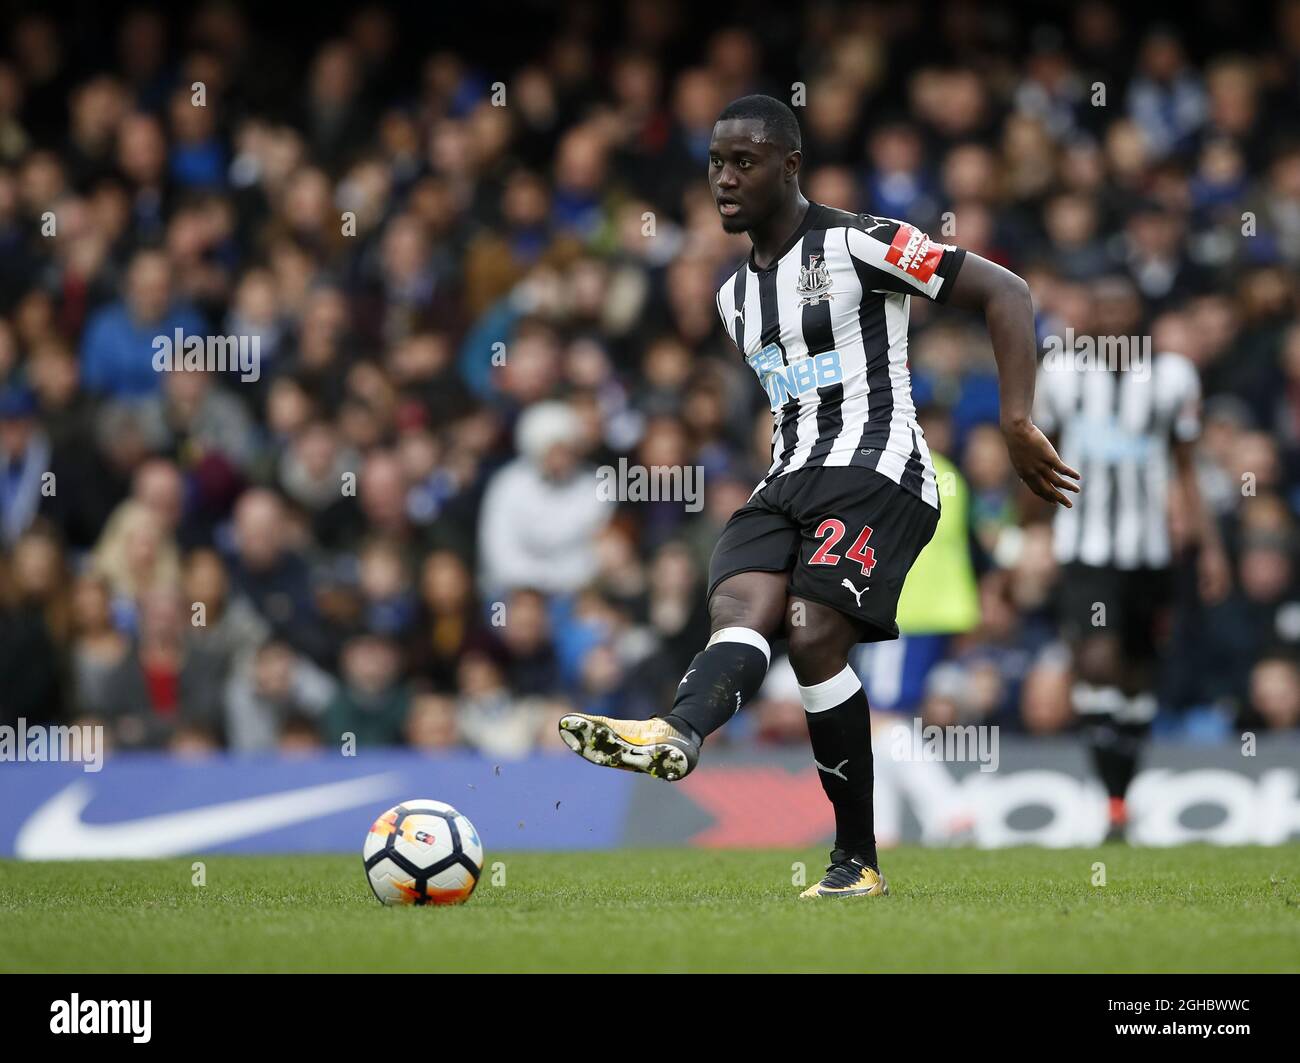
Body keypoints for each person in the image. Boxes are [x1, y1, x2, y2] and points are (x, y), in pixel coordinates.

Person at [558, 95, 1079, 898]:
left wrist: (1015, 420)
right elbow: (797, 395)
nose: (724, 181)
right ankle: (681, 728)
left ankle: (855, 858)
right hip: (787, 478)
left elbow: (1006, 291)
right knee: (742, 612)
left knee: (811, 633)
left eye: (744, 162)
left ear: (790, 165)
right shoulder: (734, 299)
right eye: (715, 164)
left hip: (879, 471)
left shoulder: (858, 240)